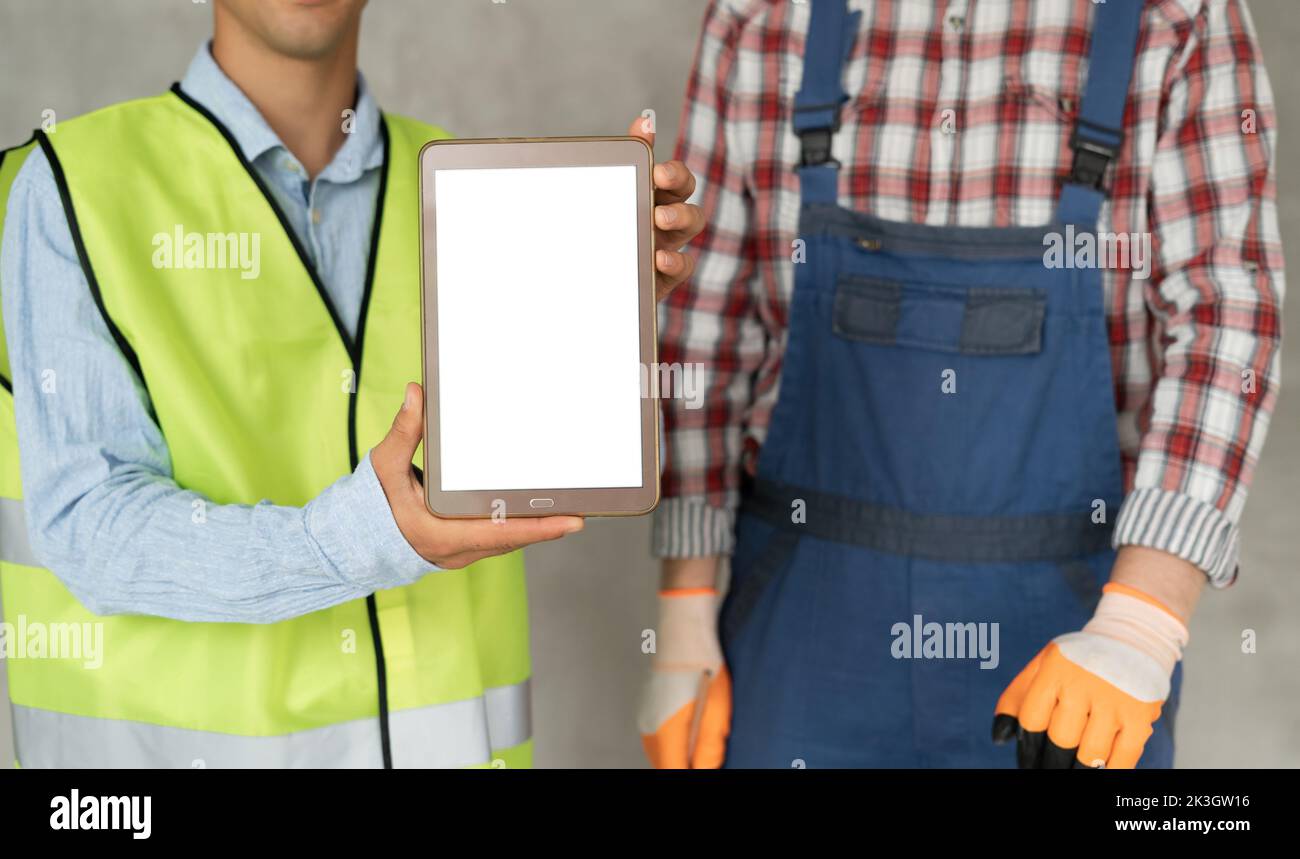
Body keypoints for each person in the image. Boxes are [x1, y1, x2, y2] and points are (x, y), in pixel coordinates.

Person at [0, 0, 704, 768]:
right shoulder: (72, 183)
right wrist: (359, 539)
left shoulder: (468, 181)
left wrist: (595, 321)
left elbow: (533, 452)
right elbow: (90, 527)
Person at [640, 0, 1282, 768]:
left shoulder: (1176, 17)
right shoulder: (759, 17)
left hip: (1073, 635)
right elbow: (705, 325)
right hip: (803, 627)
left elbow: (1226, 314)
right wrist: (684, 612)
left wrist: (1144, 620)